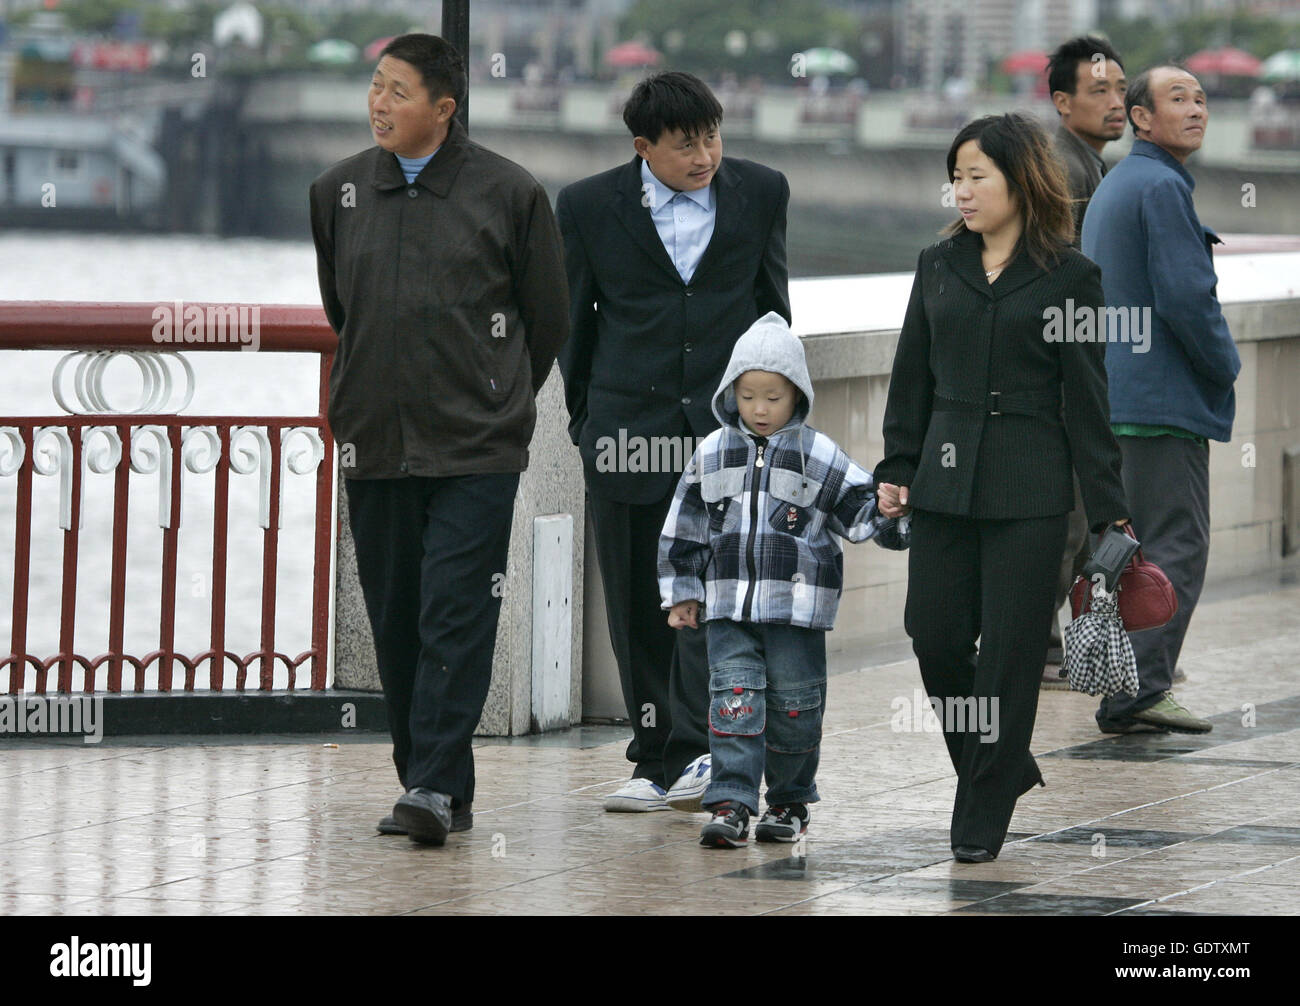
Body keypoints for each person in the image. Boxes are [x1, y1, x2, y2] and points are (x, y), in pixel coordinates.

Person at [309, 34, 570, 845]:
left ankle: (428, 784)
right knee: (395, 616)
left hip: (475, 450)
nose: (379, 104)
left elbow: (547, 320)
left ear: (444, 107)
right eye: (375, 87)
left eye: (398, 91)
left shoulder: (510, 193)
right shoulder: (337, 191)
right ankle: (433, 783)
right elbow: (341, 308)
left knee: (456, 613)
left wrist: (496, 402)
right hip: (375, 441)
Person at [875, 113, 1129, 863]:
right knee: (935, 634)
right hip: (944, 484)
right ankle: (1001, 766)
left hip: (1032, 489)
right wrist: (896, 466)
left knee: (1011, 655)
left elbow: (1088, 401)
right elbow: (910, 375)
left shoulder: (1071, 277)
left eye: (975, 175)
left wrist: (1111, 510)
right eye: (955, 177)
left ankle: (981, 808)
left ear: (1020, 179)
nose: (961, 191)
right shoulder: (936, 264)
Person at [556, 71, 790, 813]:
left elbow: (773, 312)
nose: (705, 156)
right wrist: (587, 427)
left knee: (716, 601)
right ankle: (654, 759)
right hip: (626, 436)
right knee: (637, 606)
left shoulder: (763, 191)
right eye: (686, 145)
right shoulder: (589, 206)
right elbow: (574, 330)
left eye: (713, 137)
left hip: (726, 438)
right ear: (643, 147)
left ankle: (701, 751)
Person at [659, 312, 909, 847]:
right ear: (731, 394)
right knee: (733, 701)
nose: (760, 408)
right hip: (728, 610)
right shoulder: (710, 453)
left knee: (795, 707)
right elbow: (685, 527)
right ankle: (729, 802)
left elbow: (860, 509)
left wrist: (891, 511)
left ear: (797, 394)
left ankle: (790, 801)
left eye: (773, 396)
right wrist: (682, 592)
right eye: (748, 396)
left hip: (796, 614)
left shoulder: (819, 455)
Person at [1081, 65, 1240, 736]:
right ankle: (1141, 688)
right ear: (1142, 118)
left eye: (1201, 99)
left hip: (1116, 397)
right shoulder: (1162, 189)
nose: (1196, 109)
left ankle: (1123, 685)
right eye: (1179, 99)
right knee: (1175, 544)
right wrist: (1225, 366)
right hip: (1156, 404)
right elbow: (1186, 297)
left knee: (1129, 548)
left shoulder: (1124, 182)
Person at [1040, 36, 1128, 689]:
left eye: (1122, 90)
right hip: (1058, 373)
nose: (1116, 102)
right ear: (1063, 101)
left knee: (1074, 514)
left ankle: (1051, 642)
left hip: (1075, 367)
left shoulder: (1090, 166)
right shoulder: (1064, 171)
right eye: (1099, 91)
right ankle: (1038, 644)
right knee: (1065, 515)